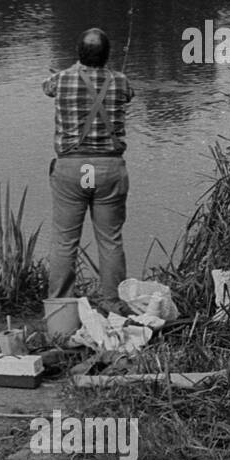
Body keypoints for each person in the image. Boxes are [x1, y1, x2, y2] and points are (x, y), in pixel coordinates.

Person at [42, 28, 135, 307]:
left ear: (78, 55)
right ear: (107, 55)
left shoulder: (61, 79)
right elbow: (129, 93)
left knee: (64, 241)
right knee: (110, 241)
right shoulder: (120, 81)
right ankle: (113, 308)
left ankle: (59, 311)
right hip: (107, 170)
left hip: (73, 168)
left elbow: (48, 87)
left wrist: (73, 69)